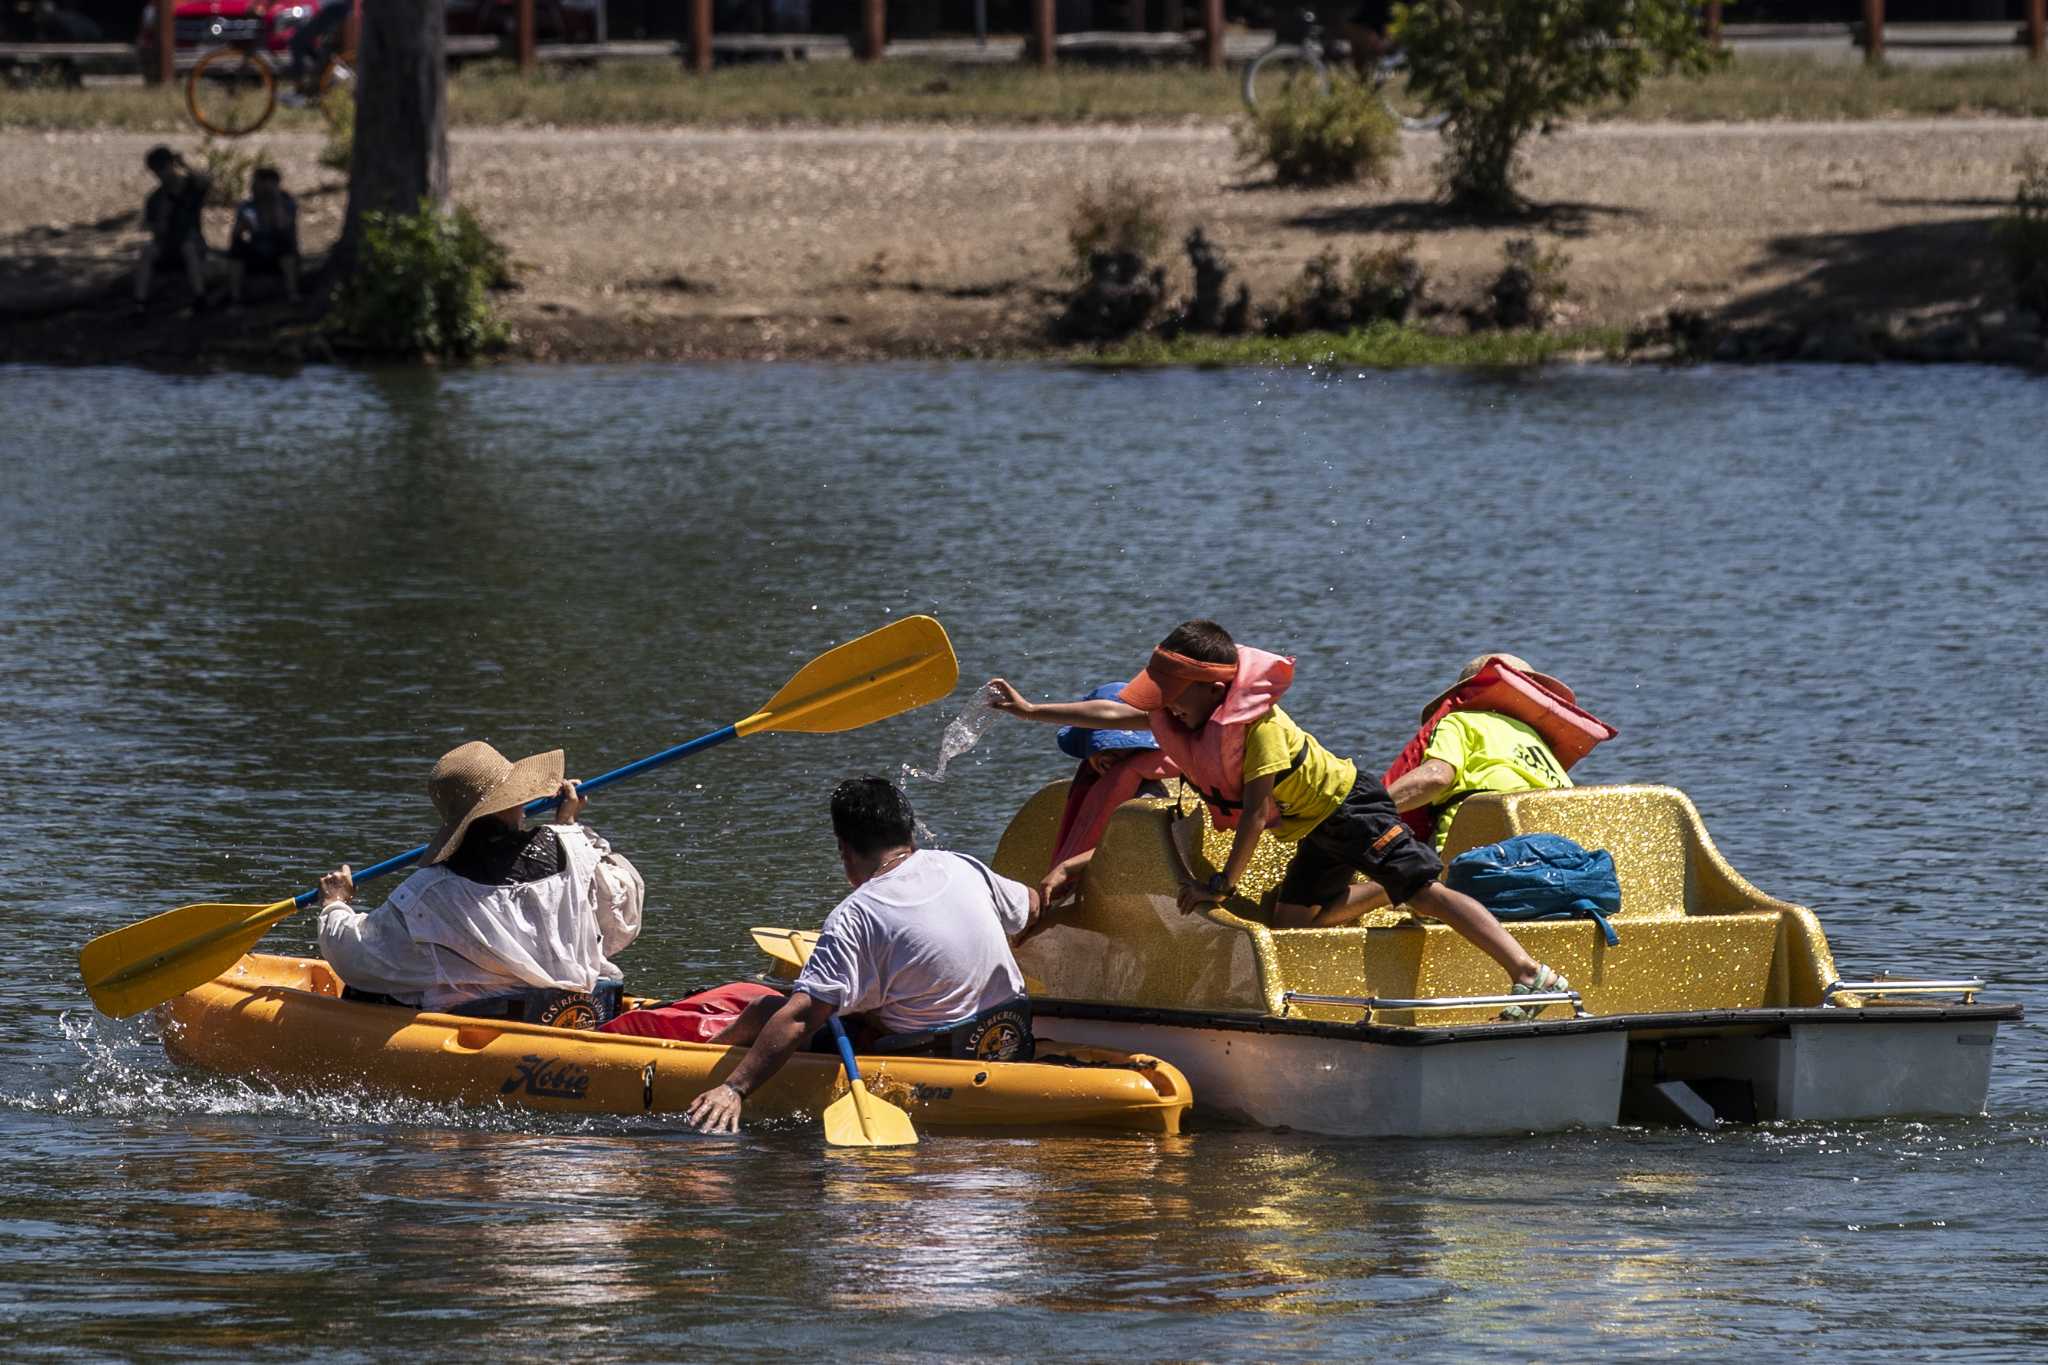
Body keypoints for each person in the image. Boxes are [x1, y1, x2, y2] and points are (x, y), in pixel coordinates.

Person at [987, 619, 1569, 1014]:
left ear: (1215, 691)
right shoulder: (1179, 715)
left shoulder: (1259, 730)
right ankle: (1388, 890)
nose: (1163, 701)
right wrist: (1030, 708)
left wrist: (1219, 885)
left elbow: (1254, 814)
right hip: (1314, 826)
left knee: (1423, 891)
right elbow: (1111, 712)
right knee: (1292, 919)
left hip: (1351, 807)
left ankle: (1528, 973)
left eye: (1174, 690)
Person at [683, 777, 1042, 1135]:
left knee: (766, 1010)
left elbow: (800, 1018)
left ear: (844, 849)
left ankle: (702, 1063)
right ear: (909, 833)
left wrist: (736, 1088)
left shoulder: (855, 915)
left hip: (932, 1061)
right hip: (1009, 1039)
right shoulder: (962, 865)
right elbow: (1032, 904)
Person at [314, 740, 644, 1021]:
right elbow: (621, 918)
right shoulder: (572, 850)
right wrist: (570, 826)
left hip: (491, 1020)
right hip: (572, 1014)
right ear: (514, 798)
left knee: (363, 990)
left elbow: (356, 957)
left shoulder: (428, 892)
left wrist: (335, 904)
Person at [1385, 652, 1605, 853]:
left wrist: (1369, 807)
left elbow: (1435, 777)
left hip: (1476, 856)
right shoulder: (1543, 747)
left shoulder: (1461, 721)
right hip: (1560, 858)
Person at [1040, 683, 1178, 909]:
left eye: (1121, 748)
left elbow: (1138, 846)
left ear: (1143, 750)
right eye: (1100, 748)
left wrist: (1067, 868)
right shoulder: (1093, 783)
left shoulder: (1148, 796)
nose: (1109, 757)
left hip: (1146, 896)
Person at [134, 146, 210, 316]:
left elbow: (205, 181)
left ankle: (200, 297)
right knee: (147, 251)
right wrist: (159, 223)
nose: (161, 175)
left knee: (188, 247)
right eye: (157, 171)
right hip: (168, 245)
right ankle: (140, 303)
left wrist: (185, 164)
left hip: (192, 243)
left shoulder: (191, 187)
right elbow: (150, 226)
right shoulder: (156, 198)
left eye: (163, 168)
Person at [227, 167, 302, 307]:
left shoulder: (287, 203)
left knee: (285, 243)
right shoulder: (247, 206)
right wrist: (244, 226)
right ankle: (235, 298)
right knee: (236, 248)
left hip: (279, 254)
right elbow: (236, 234)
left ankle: (292, 293)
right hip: (256, 252)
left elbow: (283, 227)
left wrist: (275, 200)